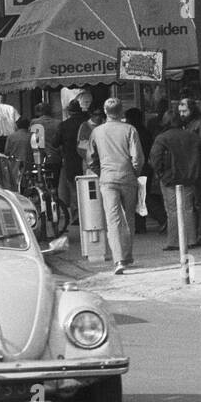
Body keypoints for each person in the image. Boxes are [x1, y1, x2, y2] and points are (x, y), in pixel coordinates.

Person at [88, 98, 144, 274]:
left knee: (113, 220)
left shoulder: (97, 132)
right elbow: (138, 158)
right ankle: (127, 256)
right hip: (127, 177)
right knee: (129, 218)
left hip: (108, 178)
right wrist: (134, 172)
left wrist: (101, 172)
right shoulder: (130, 130)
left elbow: (91, 158)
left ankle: (118, 259)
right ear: (121, 112)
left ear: (105, 112)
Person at [150, 114, 201, 252]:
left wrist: (161, 174)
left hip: (169, 178)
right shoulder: (192, 136)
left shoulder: (162, 138)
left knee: (172, 210)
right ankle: (191, 239)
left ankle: (174, 242)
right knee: (188, 208)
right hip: (189, 177)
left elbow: (155, 158)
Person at [178, 99, 201, 246]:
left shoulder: (198, 124)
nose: (182, 114)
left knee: (200, 203)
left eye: (185, 111)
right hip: (188, 168)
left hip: (197, 169)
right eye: (180, 112)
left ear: (192, 110)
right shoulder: (184, 125)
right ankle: (195, 234)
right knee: (192, 203)